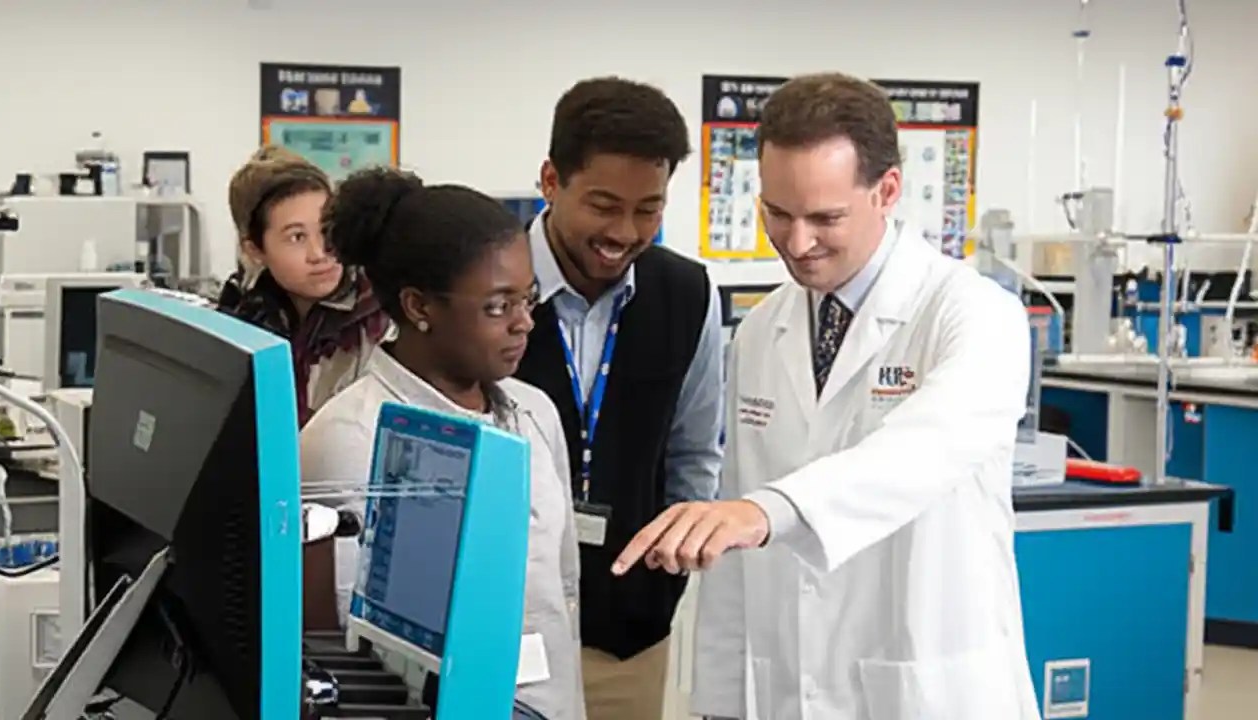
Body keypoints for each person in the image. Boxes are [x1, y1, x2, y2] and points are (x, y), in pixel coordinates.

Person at [613, 73, 1042, 720]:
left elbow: (927, 448)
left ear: (888, 190)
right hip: (786, 689)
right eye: (777, 214)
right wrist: (721, 698)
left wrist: (768, 511)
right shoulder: (764, 329)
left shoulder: (972, 314)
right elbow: (740, 551)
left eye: (826, 218)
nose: (796, 241)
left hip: (924, 685)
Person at [299, 167, 585, 720]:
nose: (525, 323)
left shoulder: (533, 413)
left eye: (527, 299)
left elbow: (563, 594)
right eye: (499, 306)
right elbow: (340, 651)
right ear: (419, 307)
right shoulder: (349, 440)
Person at [514, 76, 723, 720]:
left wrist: (673, 571)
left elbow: (695, 452)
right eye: (604, 205)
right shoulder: (486, 287)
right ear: (551, 181)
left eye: (648, 208)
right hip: (505, 638)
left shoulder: (687, 295)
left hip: (629, 640)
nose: (625, 231)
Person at [219, 146, 391, 427]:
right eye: (297, 237)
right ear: (254, 250)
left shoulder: (380, 319)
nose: (320, 253)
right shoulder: (247, 319)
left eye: (326, 229)